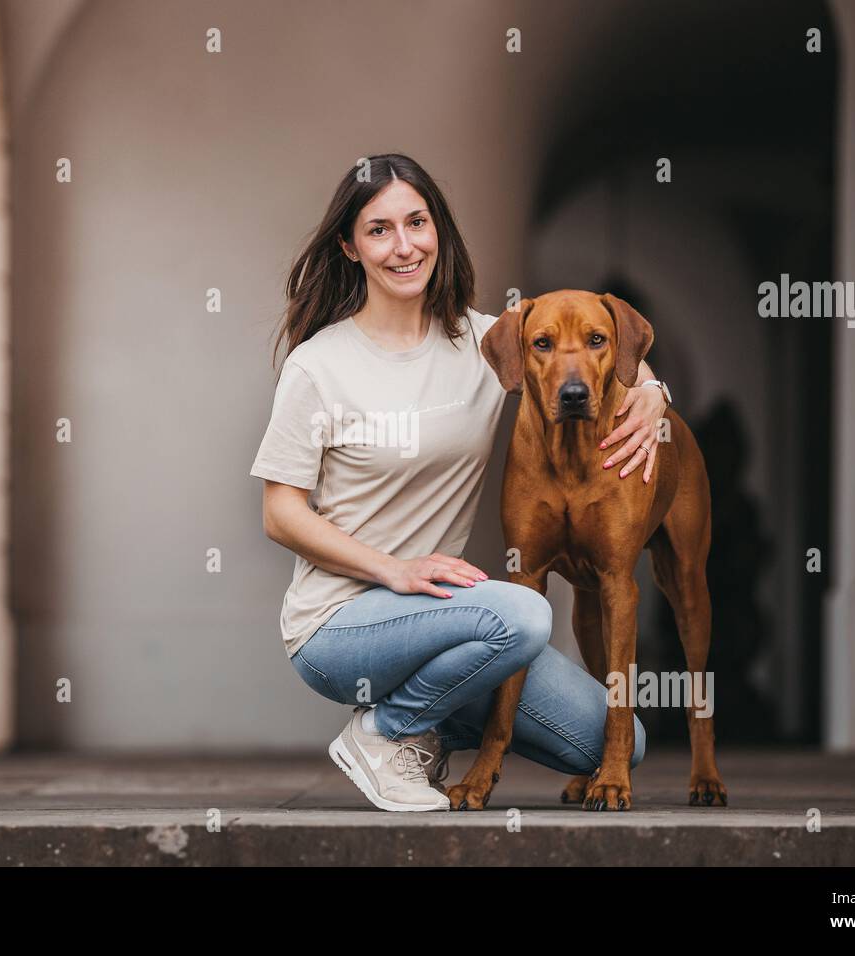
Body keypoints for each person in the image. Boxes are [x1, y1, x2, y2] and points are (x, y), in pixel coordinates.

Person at [250, 154, 664, 811]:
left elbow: (586, 349)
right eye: (379, 229)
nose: (404, 244)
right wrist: (392, 570)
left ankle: (434, 715)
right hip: (339, 627)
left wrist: (653, 392)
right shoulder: (319, 365)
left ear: (439, 230)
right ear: (349, 246)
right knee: (526, 612)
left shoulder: (485, 343)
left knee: (619, 744)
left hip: (445, 620)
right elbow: (280, 515)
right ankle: (387, 731)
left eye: (417, 222)